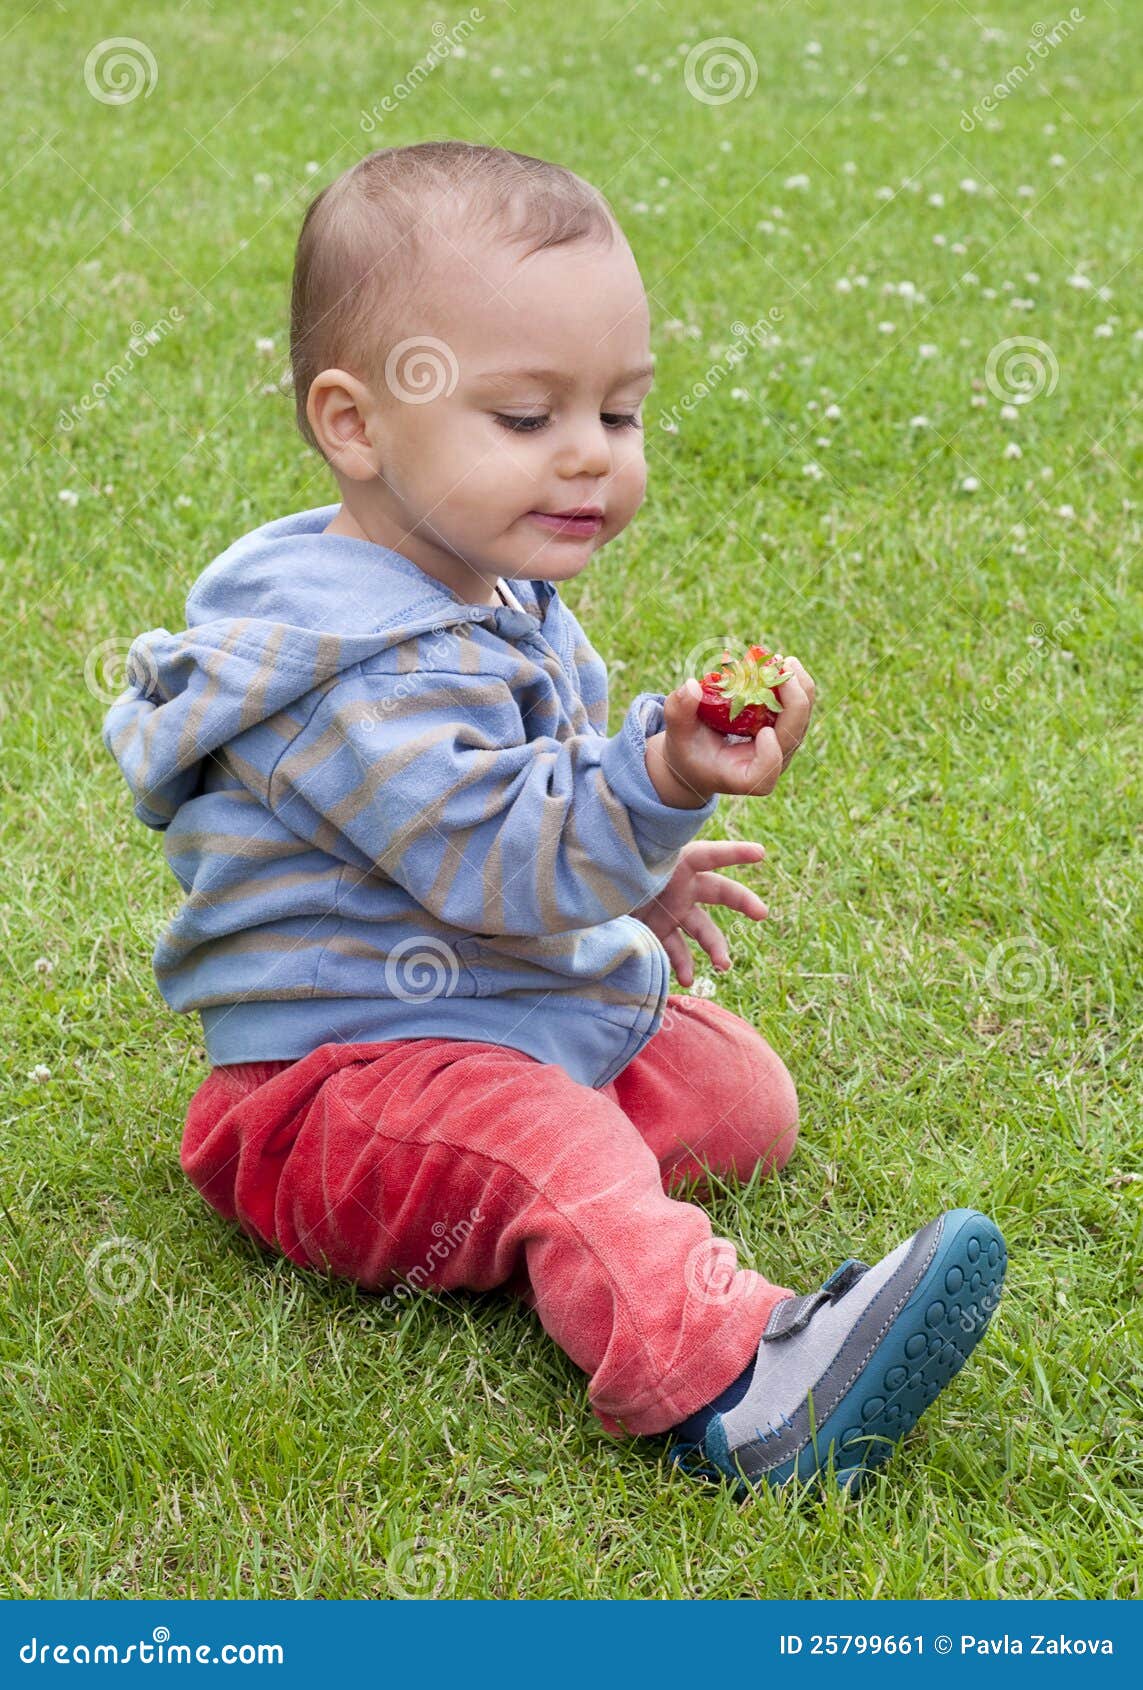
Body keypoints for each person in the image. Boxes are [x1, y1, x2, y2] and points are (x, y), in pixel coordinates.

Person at [102, 141, 1005, 1495]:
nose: (589, 456)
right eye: (527, 420)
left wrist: (635, 882)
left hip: (481, 1006)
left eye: (620, 414)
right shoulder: (351, 673)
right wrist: (658, 778)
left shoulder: (486, 584)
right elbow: (489, 848)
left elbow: (525, 811)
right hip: (331, 1092)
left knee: (736, 1093)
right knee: (555, 1138)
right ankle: (740, 1386)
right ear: (353, 423)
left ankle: (561, 1202)